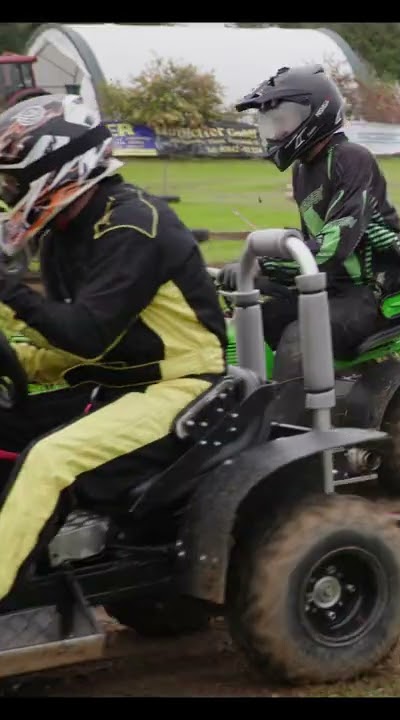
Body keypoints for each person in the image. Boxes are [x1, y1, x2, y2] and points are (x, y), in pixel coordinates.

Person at [0, 94, 228, 603]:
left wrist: (7, 289)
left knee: (49, 459)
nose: (8, 192)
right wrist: (18, 354)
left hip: (179, 386)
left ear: (58, 168)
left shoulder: (132, 226)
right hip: (111, 378)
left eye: (14, 181)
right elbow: (63, 334)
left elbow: (85, 333)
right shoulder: (63, 231)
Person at [226, 64, 400, 378]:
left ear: (314, 114)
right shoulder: (302, 169)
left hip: (371, 291)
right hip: (331, 285)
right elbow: (310, 245)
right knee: (251, 319)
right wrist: (249, 274)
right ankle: (246, 404)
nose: (276, 132)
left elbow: (333, 248)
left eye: (282, 123)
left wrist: (262, 265)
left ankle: (286, 424)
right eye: (272, 124)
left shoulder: (351, 159)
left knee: (299, 339)